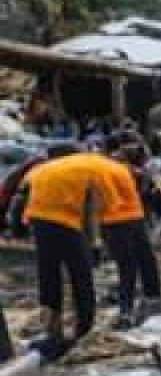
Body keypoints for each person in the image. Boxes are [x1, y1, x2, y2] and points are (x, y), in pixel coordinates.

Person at [19, 141, 102, 347]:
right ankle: (84, 327)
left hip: (39, 222)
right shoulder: (82, 168)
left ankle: (52, 329)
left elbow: (23, 197)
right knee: (81, 273)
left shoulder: (40, 170)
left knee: (48, 274)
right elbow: (89, 210)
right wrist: (95, 244)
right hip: (65, 223)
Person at [97, 144, 161, 328]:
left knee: (126, 266)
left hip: (111, 223)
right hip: (134, 219)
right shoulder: (133, 172)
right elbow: (146, 190)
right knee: (146, 260)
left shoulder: (105, 170)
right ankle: (153, 297)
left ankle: (126, 310)